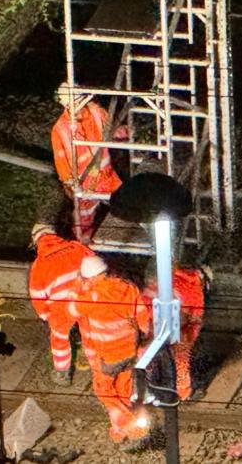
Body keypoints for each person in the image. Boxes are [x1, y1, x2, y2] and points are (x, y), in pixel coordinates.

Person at [69, 255, 151, 449]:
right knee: (123, 390)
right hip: (130, 351)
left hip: (108, 355)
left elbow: (72, 310)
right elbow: (143, 320)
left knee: (103, 391)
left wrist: (77, 287)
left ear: (90, 277)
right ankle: (118, 431)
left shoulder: (93, 296)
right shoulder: (127, 288)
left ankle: (134, 429)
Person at [51, 85, 122, 242]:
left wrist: (130, 132)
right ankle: (82, 249)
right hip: (84, 183)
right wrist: (68, 184)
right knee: (83, 220)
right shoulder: (61, 129)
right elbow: (61, 160)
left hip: (105, 176)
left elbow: (115, 132)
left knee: (128, 204)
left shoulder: (96, 112)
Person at [27, 222, 94, 386]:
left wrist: (46, 315)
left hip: (60, 308)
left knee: (59, 340)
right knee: (90, 331)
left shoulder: (39, 265)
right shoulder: (77, 247)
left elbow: (37, 295)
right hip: (84, 298)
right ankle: (96, 364)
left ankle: (62, 373)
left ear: (36, 243)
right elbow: (95, 265)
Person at [143, 263, 207, 401]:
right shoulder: (194, 289)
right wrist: (190, 339)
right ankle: (182, 393)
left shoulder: (167, 276)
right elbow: (194, 319)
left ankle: (145, 389)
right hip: (174, 329)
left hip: (149, 324)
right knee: (180, 359)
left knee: (145, 358)